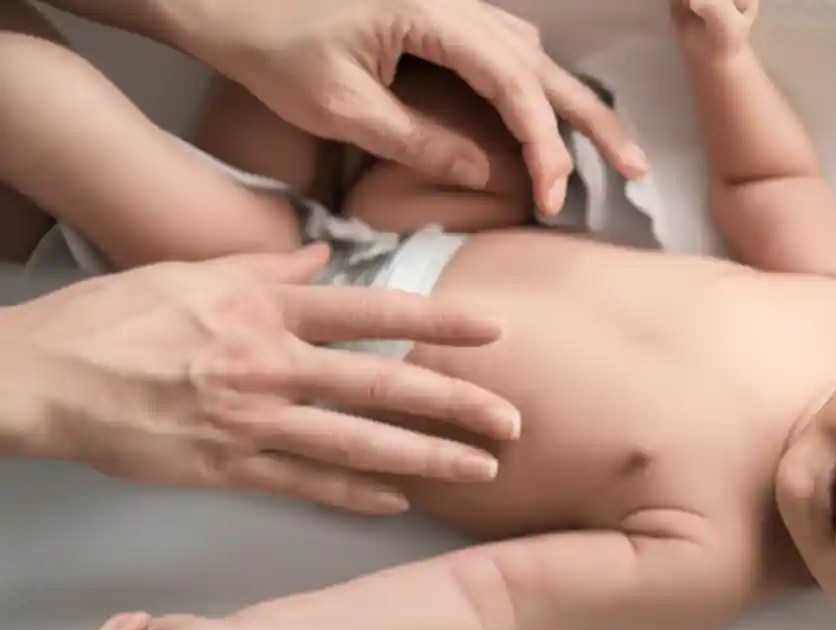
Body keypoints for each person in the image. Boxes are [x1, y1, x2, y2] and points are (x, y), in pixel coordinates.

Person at [0, 0, 836, 630]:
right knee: (436, 76)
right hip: (415, 207)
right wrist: (720, 59)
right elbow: (764, 179)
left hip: (288, 308)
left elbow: (481, 603)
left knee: (34, 88)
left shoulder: (706, 565)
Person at [0, 0, 647, 512]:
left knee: (31, 107)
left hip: (290, 301)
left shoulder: (706, 551)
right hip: (363, 259)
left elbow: (495, 601)